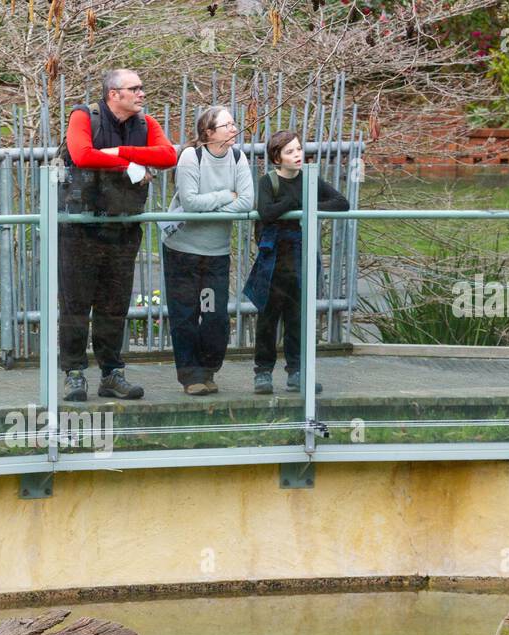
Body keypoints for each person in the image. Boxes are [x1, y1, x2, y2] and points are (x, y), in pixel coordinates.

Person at [58, 68, 177, 401]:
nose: (141, 94)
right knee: (75, 305)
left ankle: (111, 373)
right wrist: (132, 165)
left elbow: (168, 156)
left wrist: (119, 154)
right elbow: (81, 154)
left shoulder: (145, 123)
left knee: (115, 306)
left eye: (141, 87)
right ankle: (75, 373)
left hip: (123, 229)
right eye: (134, 89)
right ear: (114, 94)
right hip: (80, 229)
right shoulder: (84, 116)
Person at [244, 131, 349, 394]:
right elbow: (266, 212)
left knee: (298, 317)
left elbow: (341, 203)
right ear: (277, 157)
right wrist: (296, 202)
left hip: (302, 257)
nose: (298, 155)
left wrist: (307, 204)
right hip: (274, 258)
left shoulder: (310, 179)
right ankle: (263, 372)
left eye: (299, 149)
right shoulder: (268, 181)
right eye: (291, 151)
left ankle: (297, 371)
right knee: (268, 318)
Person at [161, 106, 253, 395]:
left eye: (233, 124)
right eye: (226, 125)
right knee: (185, 314)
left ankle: (208, 368)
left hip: (216, 254)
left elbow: (247, 202)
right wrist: (226, 197)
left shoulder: (238, 157)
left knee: (214, 315)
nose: (233, 129)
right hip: (182, 252)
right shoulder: (192, 156)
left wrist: (211, 204)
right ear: (209, 132)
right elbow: (190, 203)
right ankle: (191, 376)